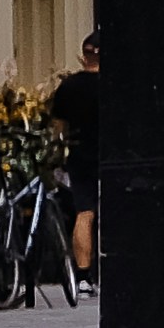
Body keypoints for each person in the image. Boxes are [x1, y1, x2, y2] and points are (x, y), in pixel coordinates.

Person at [45, 30, 105, 283]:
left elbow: (58, 129)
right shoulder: (117, 85)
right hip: (113, 155)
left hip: (81, 153)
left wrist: (57, 152)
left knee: (85, 212)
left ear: (83, 56)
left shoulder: (69, 86)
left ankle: (82, 277)